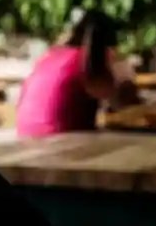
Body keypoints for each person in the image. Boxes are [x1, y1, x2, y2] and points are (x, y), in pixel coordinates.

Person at [16, 9, 134, 137]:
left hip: (26, 135)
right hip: (60, 139)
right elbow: (117, 102)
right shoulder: (89, 59)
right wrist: (124, 76)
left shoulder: (51, 55)